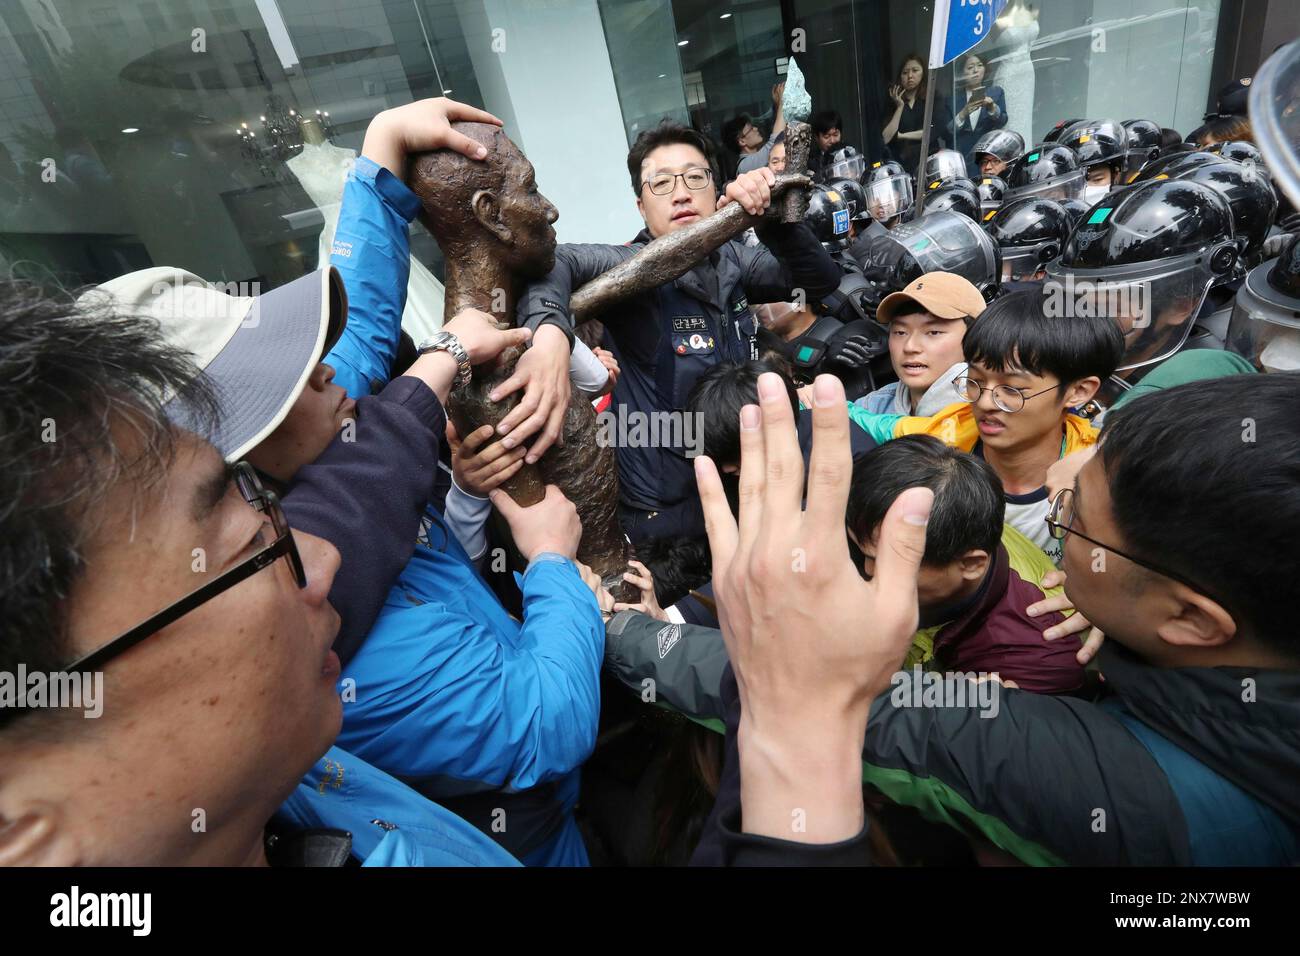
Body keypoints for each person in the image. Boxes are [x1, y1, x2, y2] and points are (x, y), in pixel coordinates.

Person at [0, 278, 523, 867]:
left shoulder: (297, 782)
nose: (325, 560)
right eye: (245, 544)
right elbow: (538, 722)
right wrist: (557, 570)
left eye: (258, 508)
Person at [697, 372, 1300, 866]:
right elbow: (1220, 357)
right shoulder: (1177, 640)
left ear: (1191, 619)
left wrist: (776, 688)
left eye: (1070, 520)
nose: (1052, 524)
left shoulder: (1072, 754)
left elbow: (845, 720)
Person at [513, 120, 841, 544]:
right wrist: (550, 336)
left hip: (742, 479)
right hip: (664, 507)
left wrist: (775, 223)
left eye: (694, 177)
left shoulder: (733, 261)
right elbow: (554, 263)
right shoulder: (629, 265)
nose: (681, 193)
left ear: (717, 188)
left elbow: (818, 281)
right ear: (640, 206)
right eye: (661, 183)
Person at [851, 286, 1125, 564]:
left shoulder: (1104, 476)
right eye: (975, 381)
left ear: (1078, 391)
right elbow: (862, 420)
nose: (985, 402)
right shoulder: (945, 433)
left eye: (1012, 389)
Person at [855, 272, 981, 416]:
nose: (910, 347)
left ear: (975, 338)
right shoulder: (870, 410)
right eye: (900, 332)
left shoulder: (987, 418)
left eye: (933, 332)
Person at [945, 52, 1008, 172]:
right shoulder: (952, 100)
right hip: (963, 159)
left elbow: (1003, 121)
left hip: (990, 157)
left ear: (985, 69)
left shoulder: (995, 92)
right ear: (962, 73)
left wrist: (992, 108)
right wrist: (963, 113)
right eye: (970, 67)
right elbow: (946, 134)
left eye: (979, 65)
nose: (975, 71)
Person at [1058, 119, 1130, 203]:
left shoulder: (1127, 209)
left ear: (1116, 173)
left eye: (1097, 179)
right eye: (1077, 184)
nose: (1087, 188)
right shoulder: (1060, 212)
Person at [883, 54, 932, 175]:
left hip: (929, 162)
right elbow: (886, 137)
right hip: (902, 167)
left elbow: (930, 132)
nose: (910, 76)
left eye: (915, 70)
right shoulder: (893, 104)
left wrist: (901, 135)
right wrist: (900, 106)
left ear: (923, 73)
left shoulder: (931, 98)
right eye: (905, 72)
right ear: (900, 77)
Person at [724, 82, 787, 176]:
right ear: (742, 141)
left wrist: (778, 105)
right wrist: (782, 102)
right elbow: (774, 142)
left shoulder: (755, 159)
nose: (756, 129)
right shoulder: (745, 166)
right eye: (751, 129)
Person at [809, 109, 844, 180]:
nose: (832, 141)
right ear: (816, 137)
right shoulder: (811, 161)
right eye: (826, 137)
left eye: (835, 135)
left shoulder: (849, 153)